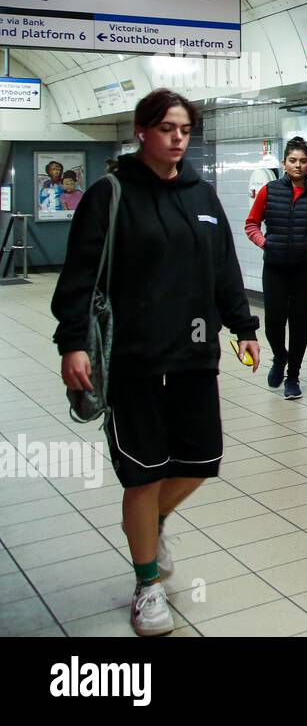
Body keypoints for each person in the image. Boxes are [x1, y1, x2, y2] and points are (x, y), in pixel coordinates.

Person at [52, 89, 260, 636]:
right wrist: (73, 343)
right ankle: (147, 584)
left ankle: (155, 523)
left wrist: (243, 326)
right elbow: (78, 278)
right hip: (133, 361)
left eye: (185, 129)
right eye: (166, 127)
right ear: (142, 131)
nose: (176, 138)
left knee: (200, 461)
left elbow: (224, 269)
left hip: (194, 356)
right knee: (143, 475)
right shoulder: (111, 194)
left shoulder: (203, 196)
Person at [245, 136, 307, 399]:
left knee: (299, 323)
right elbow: (251, 224)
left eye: (303, 161)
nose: (298, 165)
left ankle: (293, 376)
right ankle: (279, 357)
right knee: (274, 322)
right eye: (293, 161)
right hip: (275, 266)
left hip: (305, 268)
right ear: (284, 163)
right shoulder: (269, 190)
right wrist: (265, 243)